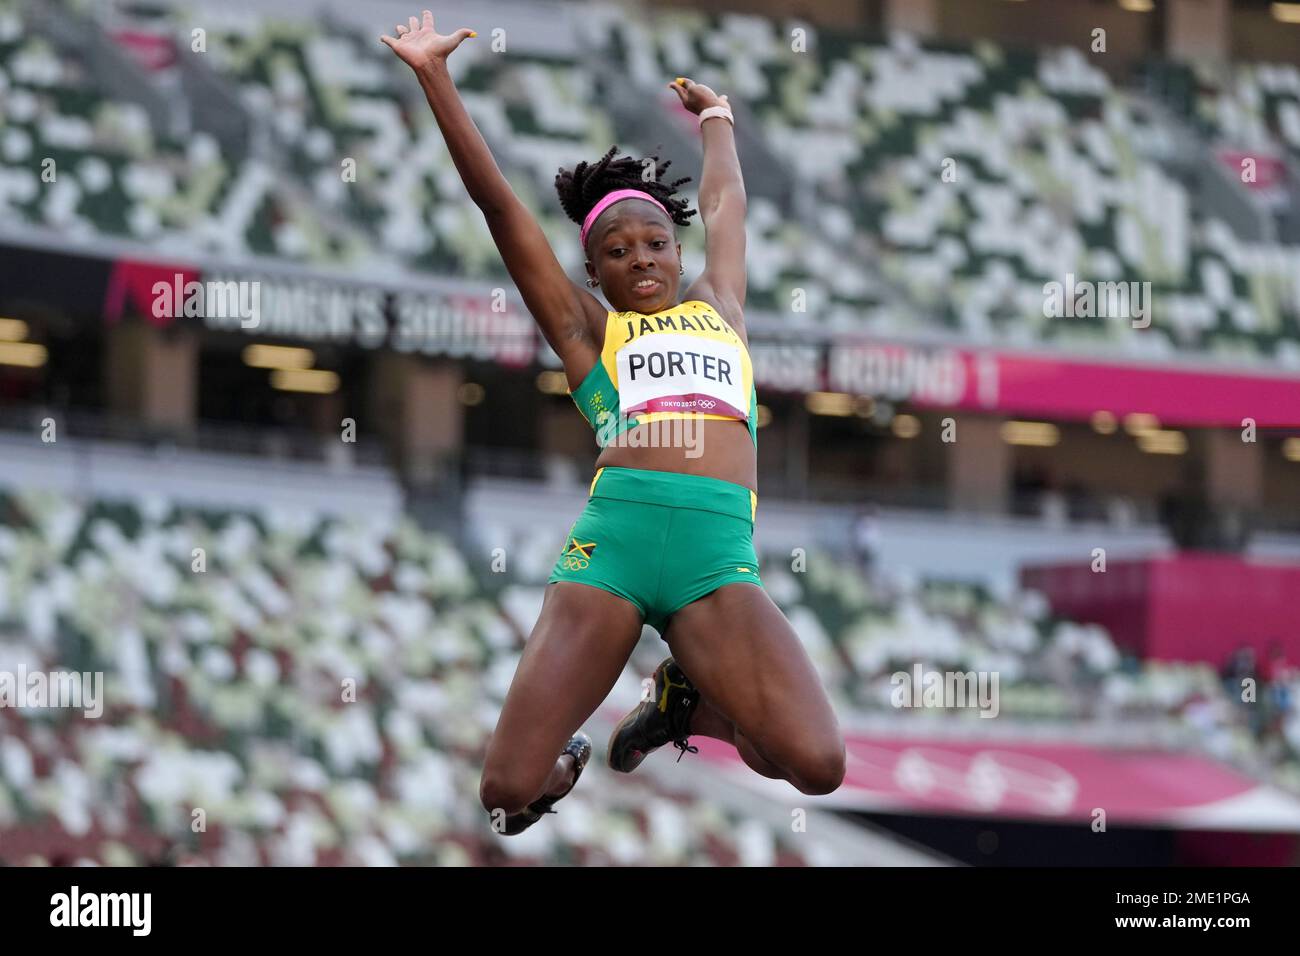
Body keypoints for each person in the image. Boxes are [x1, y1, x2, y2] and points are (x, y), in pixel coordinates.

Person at [382, 11, 845, 836]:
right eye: (619, 250)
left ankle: (683, 707)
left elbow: (727, 200)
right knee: (507, 789)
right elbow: (498, 207)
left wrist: (717, 121)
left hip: (715, 561)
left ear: (677, 249)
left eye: (656, 243)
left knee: (813, 763)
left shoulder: (721, 307)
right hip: (616, 548)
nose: (641, 259)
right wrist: (434, 78)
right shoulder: (586, 328)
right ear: (592, 268)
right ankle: (571, 761)